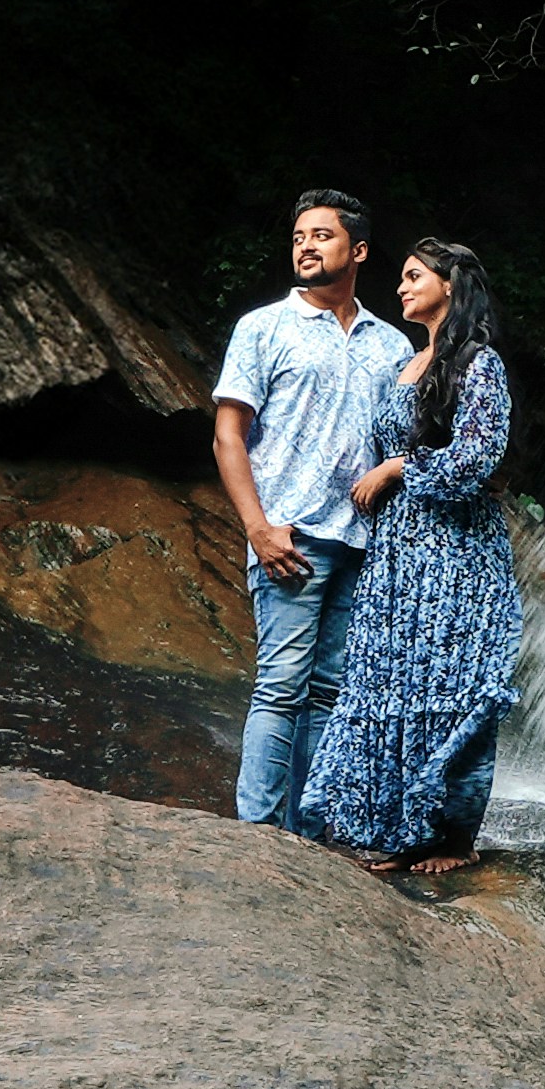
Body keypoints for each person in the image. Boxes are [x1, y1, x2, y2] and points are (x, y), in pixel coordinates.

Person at [294, 236, 519, 878]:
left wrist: (397, 467)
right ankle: (390, 828)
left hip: (456, 555)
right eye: (399, 278)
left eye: (414, 276)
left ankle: (450, 838)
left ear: (450, 285)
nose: (400, 288)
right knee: (390, 684)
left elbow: (479, 458)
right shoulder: (409, 365)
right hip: (396, 556)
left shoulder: (478, 364)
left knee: (450, 689)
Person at [206, 190, 409, 830]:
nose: (306, 246)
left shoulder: (392, 345)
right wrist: (257, 528)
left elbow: (404, 447)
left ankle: (309, 835)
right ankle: (258, 834)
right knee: (280, 687)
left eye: (322, 235)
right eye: (299, 237)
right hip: (290, 536)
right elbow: (227, 434)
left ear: (359, 250)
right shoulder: (263, 327)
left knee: (330, 694)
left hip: (362, 543)